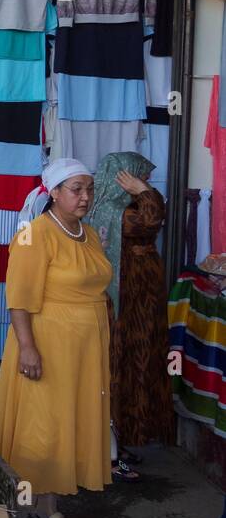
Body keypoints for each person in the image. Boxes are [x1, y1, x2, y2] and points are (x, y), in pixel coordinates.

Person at [0, 158, 112, 518]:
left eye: (89, 188)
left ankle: (51, 509)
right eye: (76, 189)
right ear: (54, 192)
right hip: (46, 344)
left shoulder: (87, 234)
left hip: (83, 350)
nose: (85, 196)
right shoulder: (34, 233)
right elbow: (19, 298)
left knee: (64, 426)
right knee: (39, 430)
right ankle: (26, 514)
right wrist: (27, 347)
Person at [89, 152, 170, 467]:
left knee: (134, 372)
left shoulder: (122, 209)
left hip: (137, 309)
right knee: (118, 374)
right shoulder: (113, 212)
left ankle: (118, 445)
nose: (145, 183)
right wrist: (144, 192)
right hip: (120, 311)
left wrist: (144, 192)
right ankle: (109, 453)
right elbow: (152, 219)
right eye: (139, 177)